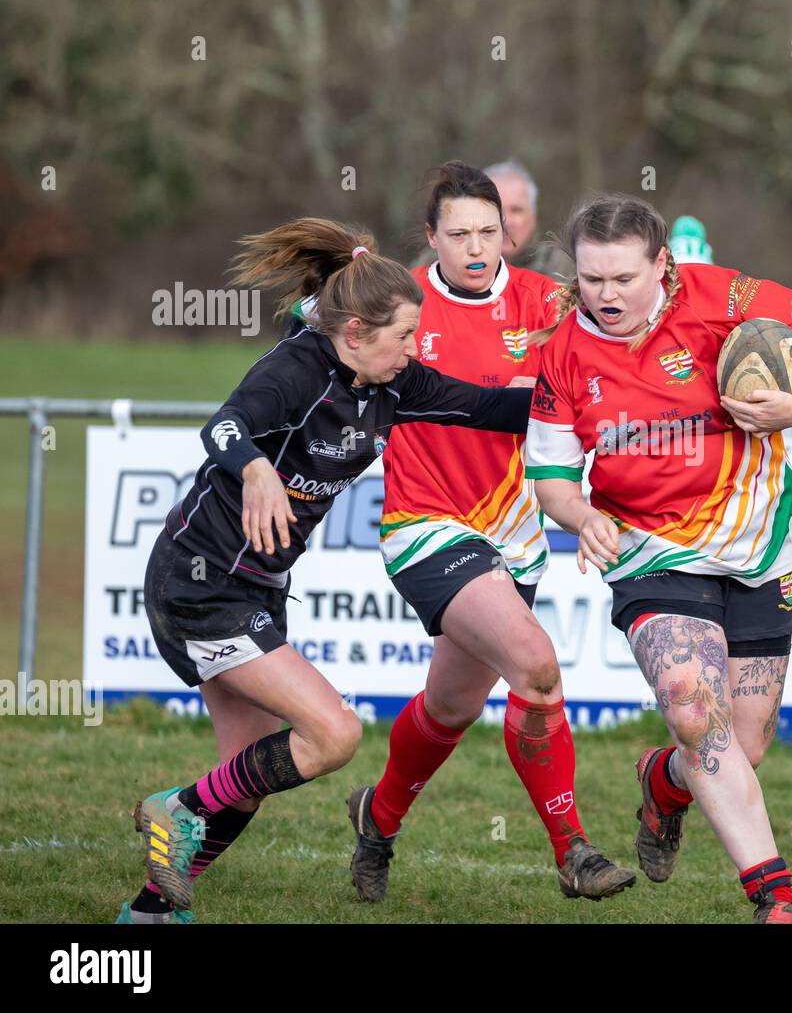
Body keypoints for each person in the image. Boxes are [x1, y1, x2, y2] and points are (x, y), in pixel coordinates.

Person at [118, 218, 533, 923]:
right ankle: (174, 808)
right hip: (200, 582)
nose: (413, 348)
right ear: (354, 334)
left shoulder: (392, 383)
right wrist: (253, 468)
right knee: (334, 735)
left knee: (242, 779)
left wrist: (592, 405)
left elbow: (489, 407)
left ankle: (153, 911)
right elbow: (223, 426)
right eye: (403, 336)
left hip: (255, 587)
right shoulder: (297, 369)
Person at [525, 193, 792, 923]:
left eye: (623, 279)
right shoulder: (562, 353)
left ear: (663, 265)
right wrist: (583, 515)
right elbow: (554, 480)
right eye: (591, 280)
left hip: (758, 544)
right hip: (647, 547)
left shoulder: (724, 298)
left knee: (742, 741)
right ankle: (775, 899)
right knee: (691, 705)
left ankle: (665, 785)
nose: (606, 296)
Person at [346, 162, 634, 904]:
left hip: (515, 535)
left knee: (451, 706)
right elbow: (320, 340)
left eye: (490, 231)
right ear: (430, 238)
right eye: (459, 234)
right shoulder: (401, 303)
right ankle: (573, 850)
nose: (477, 248)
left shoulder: (547, 302)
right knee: (537, 668)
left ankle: (376, 819)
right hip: (426, 526)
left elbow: (602, 378)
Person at [409, 159, 571, 280]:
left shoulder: (560, 265)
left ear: (533, 217)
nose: (505, 221)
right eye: (497, 210)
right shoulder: (437, 260)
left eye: (516, 210)